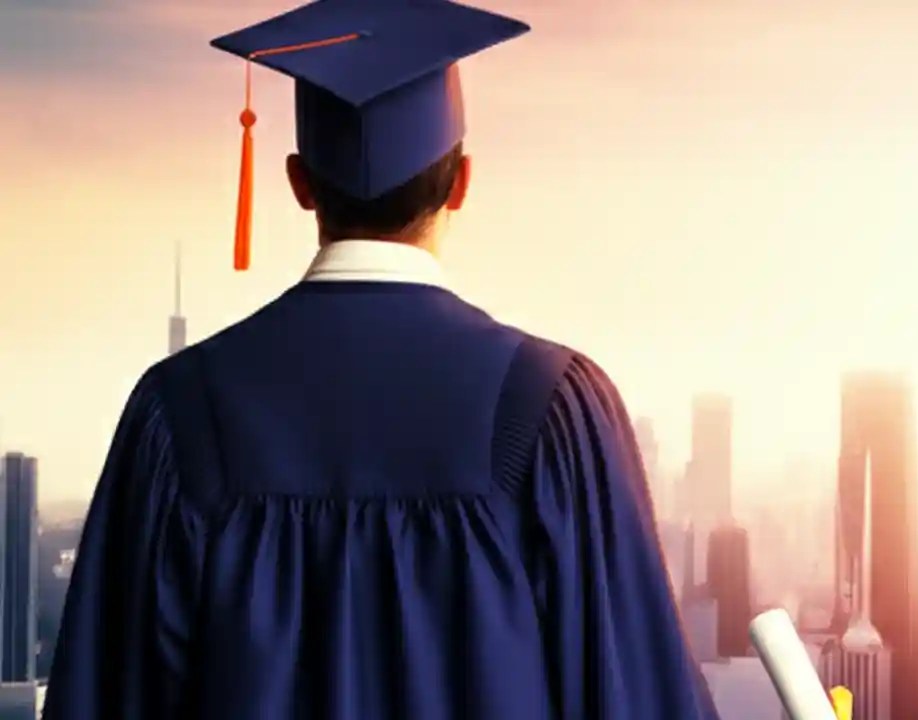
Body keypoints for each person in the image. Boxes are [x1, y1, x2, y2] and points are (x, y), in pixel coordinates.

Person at [42, 1, 718, 718]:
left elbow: (107, 695)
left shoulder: (179, 412)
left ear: (300, 183)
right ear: (462, 182)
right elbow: (634, 693)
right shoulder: (549, 407)